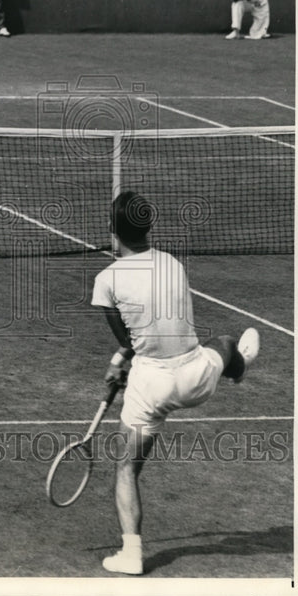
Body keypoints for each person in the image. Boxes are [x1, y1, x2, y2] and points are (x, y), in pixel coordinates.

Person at [91, 191, 260, 575]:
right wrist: (126, 358)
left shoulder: (106, 282)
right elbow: (169, 327)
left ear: (111, 231)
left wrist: (121, 362)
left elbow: (128, 340)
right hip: (197, 377)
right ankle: (239, 368)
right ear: (149, 228)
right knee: (226, 344)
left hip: (151, 387)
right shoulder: (172, 264)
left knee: (126, 468)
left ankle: (131, 554)